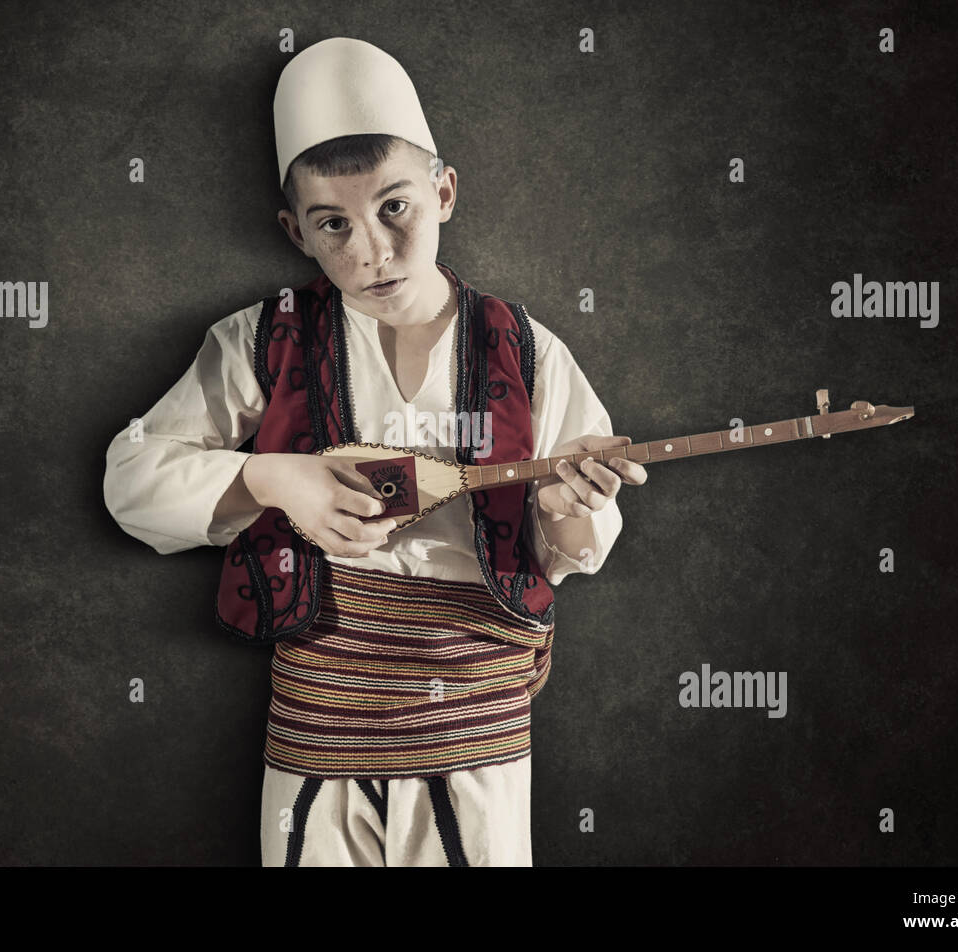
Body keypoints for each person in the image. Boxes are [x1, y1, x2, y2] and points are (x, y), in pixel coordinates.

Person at [102, 36, 646, 866]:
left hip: (479, 725)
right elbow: (132, 474)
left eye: (396, 207)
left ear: (445, 191)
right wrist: (273, 477)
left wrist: (568, 509)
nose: (372, 251)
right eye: (333, 224)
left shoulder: (526, 350)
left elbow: (577, 546)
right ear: (295, 231)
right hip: (323, 716)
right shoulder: (262, 339)